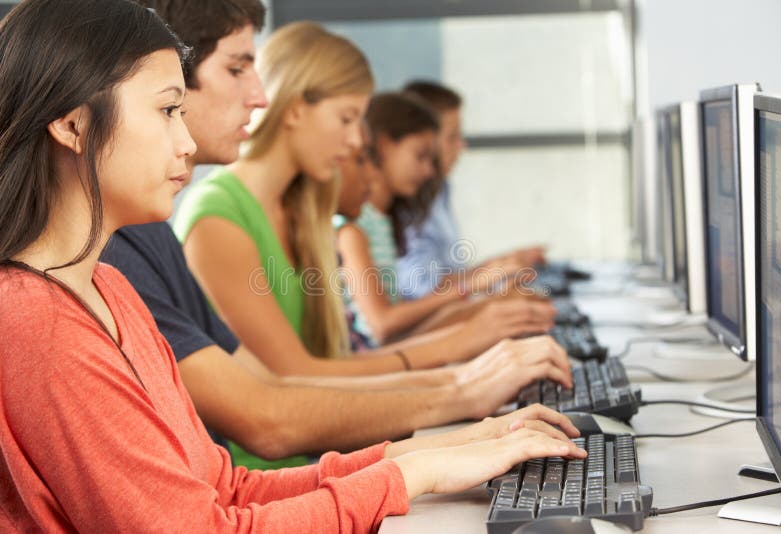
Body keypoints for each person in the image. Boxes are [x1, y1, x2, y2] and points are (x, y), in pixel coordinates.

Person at [0, 3, 586, 529]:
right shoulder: (36, 322)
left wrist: (435, 454)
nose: (184, 144)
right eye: (168, 111)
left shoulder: (110, 286)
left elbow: (228, 488)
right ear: (72, 123)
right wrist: (417, 472)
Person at [174, 22, 558, 375]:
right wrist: (462, 353)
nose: (358, 141)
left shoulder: (303, 212)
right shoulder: (218, 217)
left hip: (327, 444)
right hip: (299, 450)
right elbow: (299, 378)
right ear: (294, 109)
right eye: (346, 119)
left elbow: (336, 364)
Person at [337, 92, 556, 346]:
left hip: (397, 347)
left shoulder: (381, 222)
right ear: (384, 146)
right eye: (420, 156)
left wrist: (486, 289)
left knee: (502, 312)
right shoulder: (353, 231)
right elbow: (383, 326)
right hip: (380, 358)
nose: (430, 171)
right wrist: (469, 287)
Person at [397, 80, 548, 300]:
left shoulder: (441, 191)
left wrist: (501, 267)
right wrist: (487, 277)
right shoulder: (403, 203)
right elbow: (420, 288)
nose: (461, 146)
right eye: (452, 137)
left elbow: (448, 277)